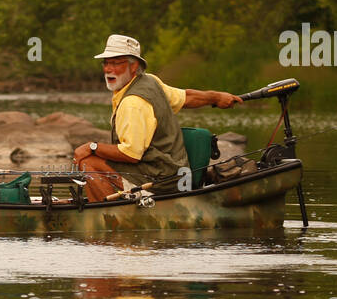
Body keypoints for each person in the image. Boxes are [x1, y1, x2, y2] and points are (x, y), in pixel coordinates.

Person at [74, 34, 242, 200]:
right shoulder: (150, 81)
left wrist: (93, 146)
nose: (108, 69)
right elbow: (186, 97)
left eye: (116, 63)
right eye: (106, 63)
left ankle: (107, 212)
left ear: (134, 66)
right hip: (174, 171)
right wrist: (216, 97)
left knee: (89, 161)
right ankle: (109, 201)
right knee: (96, 158)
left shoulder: (133, 102)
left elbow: (131, 154)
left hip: (162, 180)